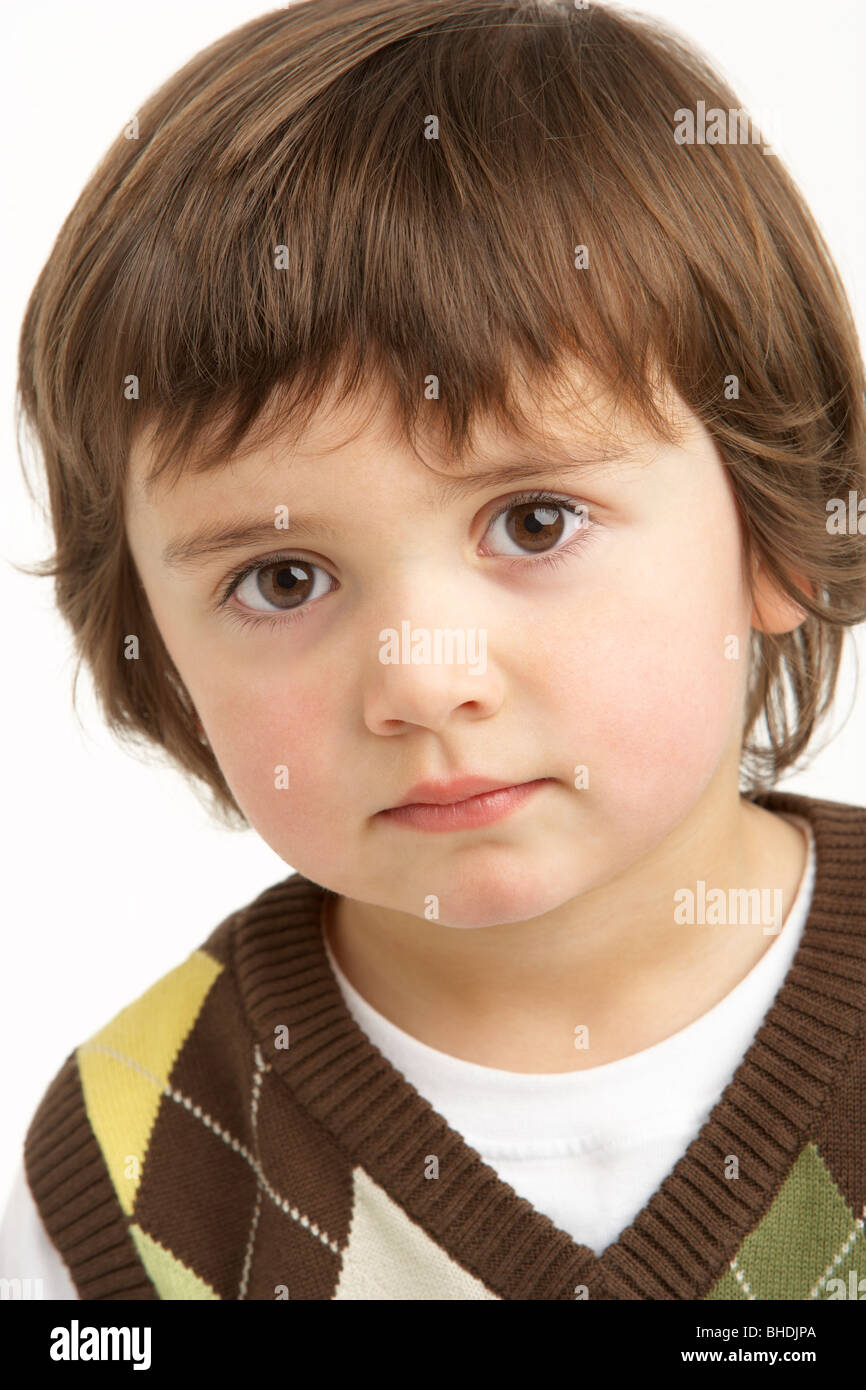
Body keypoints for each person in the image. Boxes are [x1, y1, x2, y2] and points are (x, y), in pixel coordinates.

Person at [2, 0, 865, 1302]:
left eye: (533, 520)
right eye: (281, 576)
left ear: (775, 525)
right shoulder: (146, 1168)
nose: (418, 675)